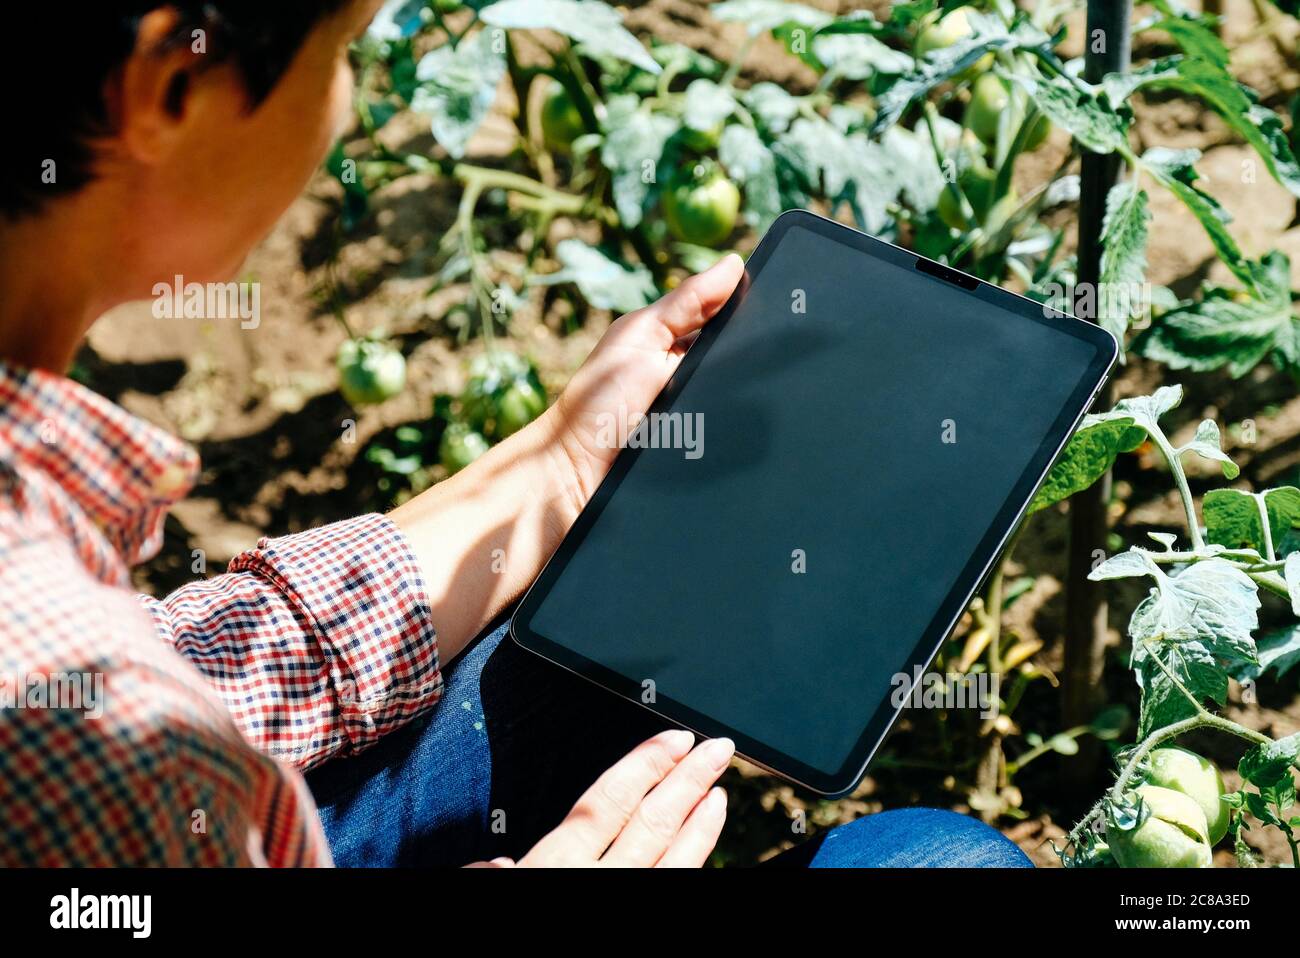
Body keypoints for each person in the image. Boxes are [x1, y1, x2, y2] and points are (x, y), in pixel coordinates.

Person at [0, 0, 1029, 868]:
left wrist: (558, 460)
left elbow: (176, 666)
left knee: (616, 639)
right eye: (348, 50)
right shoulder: (93, 719)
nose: (348, 98)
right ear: (172, 87)